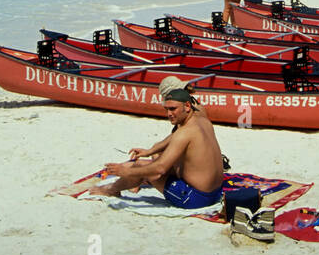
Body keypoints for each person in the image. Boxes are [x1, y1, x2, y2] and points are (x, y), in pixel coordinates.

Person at [89, 85, 225, 209]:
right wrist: (149, 151)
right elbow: (173, 137)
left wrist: (125, 172)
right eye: (166, 109)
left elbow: (160, 169)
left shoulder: (184, 133)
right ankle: (119, 186)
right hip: (216, 193)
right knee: (150, 159)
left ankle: (111, 190)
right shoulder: (202, 119)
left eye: (173, 109)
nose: (169, 114)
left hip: (195, 199)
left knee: (141, 167)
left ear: (187, 106)